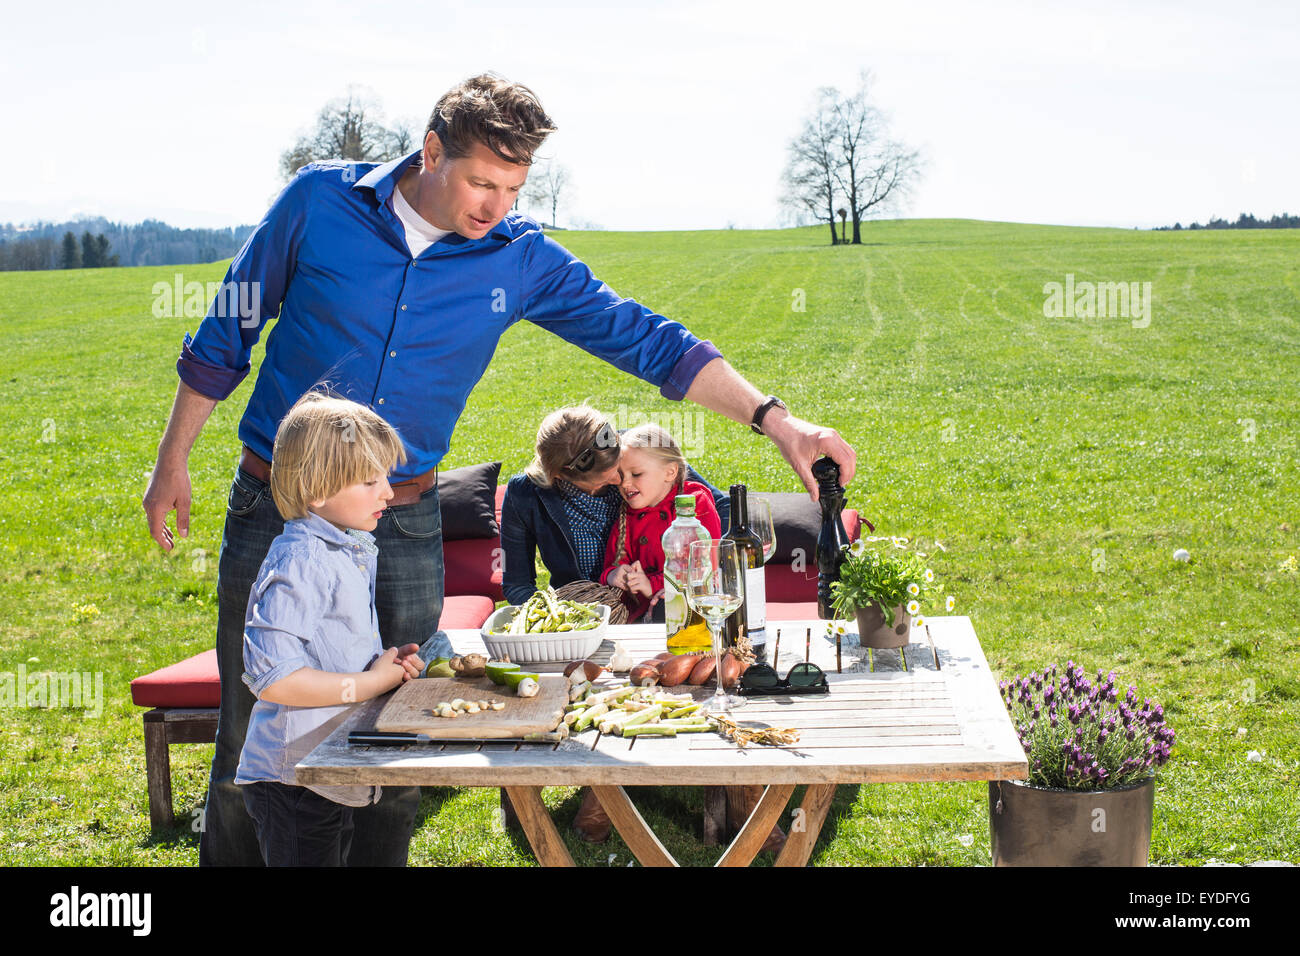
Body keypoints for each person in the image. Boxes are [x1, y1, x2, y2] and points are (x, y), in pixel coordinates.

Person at [142, 72, 856, 867]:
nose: (496, 206)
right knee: (255, 736)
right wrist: (172, 460)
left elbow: (646, 339)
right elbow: (225, 333)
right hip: (276, 505)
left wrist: (777, 421)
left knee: (406, 731)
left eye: (513, 188)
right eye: (482, 182)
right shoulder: (318, 204)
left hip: (399, 518)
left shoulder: (517, 258)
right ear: (431, 150)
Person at [236, 392, 425, 865]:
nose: (388, 491)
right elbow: (275, 678)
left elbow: (329, 647)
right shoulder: (302, 559)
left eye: (386, 476)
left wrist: (382, 665)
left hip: (325, 770)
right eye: (370, 480)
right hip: (293, 779)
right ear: (317, 490)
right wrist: (369, 682)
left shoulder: (343, 548)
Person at [499, 406, 728, 610]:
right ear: (559, 476)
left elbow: (720, 506)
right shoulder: (523, 495)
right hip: (578, 611)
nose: (621, 482)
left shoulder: (632, 448)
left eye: (619, 468)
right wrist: (553, 618)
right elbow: (517, 584)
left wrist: (693, 585)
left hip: (654, 605)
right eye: (605, 480)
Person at [601, 423, 721, 622]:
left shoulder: (696, 501)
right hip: (641, 617)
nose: (624, 483)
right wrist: (615, 575)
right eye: (621, 476)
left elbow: (706, 565)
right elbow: (612, 565)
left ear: (670, 472)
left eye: (636, 474)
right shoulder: (626, 517)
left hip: (693, 609)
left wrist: (653, 584)